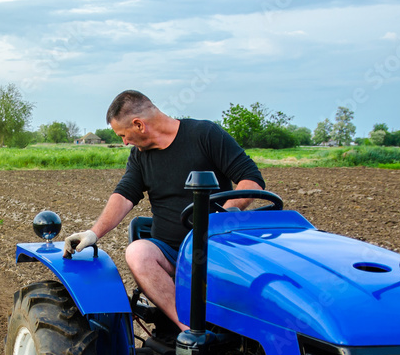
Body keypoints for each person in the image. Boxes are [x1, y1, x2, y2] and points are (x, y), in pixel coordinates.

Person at [63, 90, 265, 331]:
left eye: (123, 135)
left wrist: (222, 215)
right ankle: (190, 330)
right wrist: (94, 233)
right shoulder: (140, 156)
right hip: (171, 254)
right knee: (138, 252)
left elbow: (251, 179)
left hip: (215, 248)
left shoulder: (204, 135)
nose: (124, 142)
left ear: (139, 125)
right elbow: (125, 194)